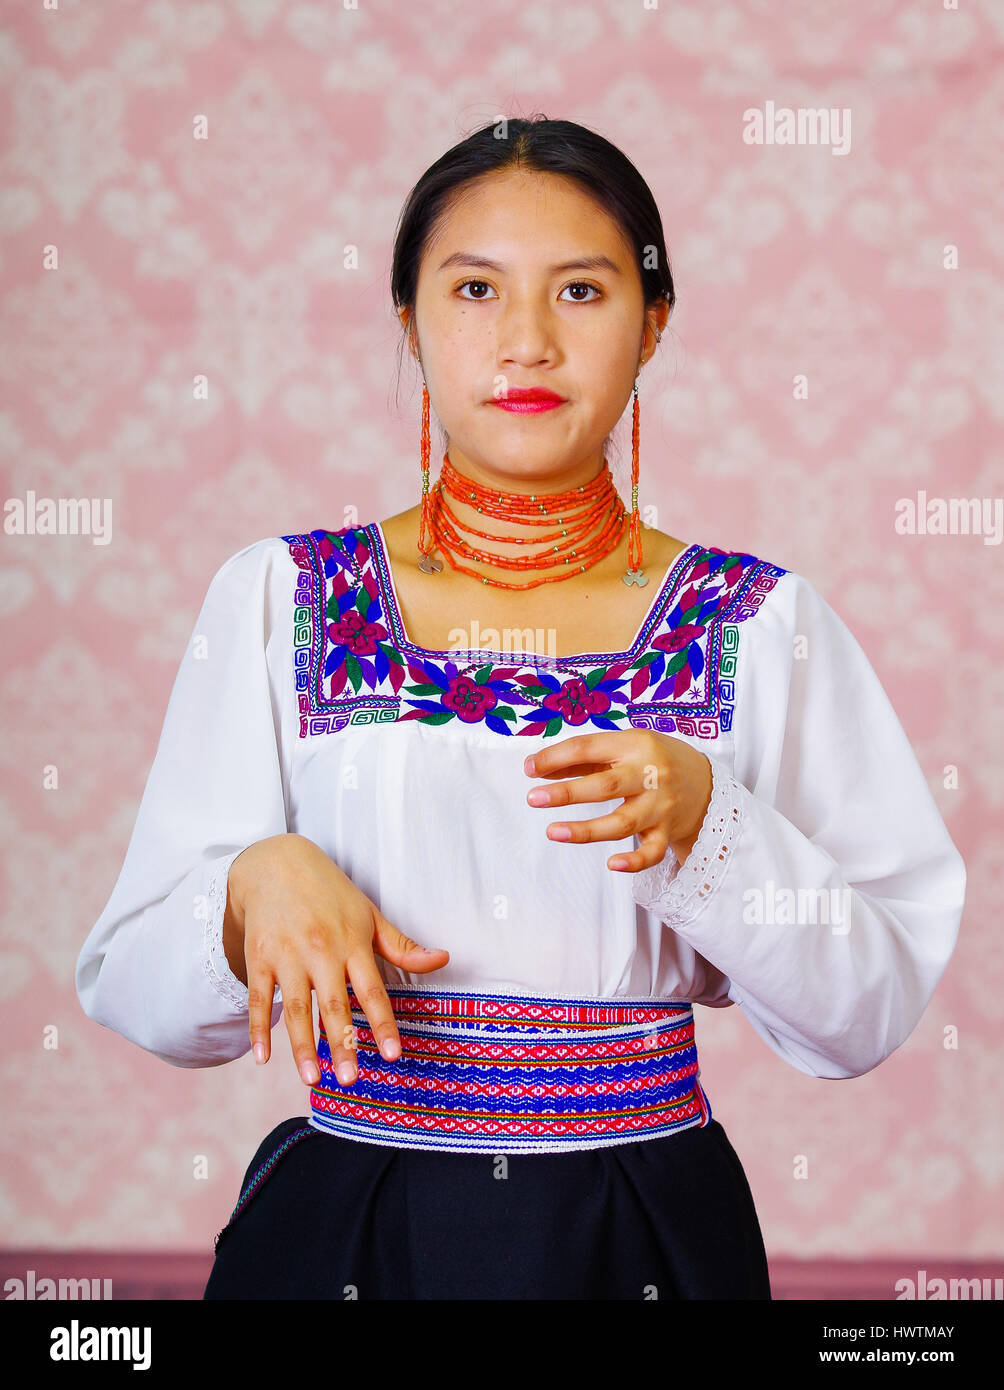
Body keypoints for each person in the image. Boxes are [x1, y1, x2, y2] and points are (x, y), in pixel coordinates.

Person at [75, 115, 966, 1301]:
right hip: (349, 1223)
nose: (527, 341)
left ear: (653, 322)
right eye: (476, 288)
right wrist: (248, 890)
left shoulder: (753, 622)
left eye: (583, 291)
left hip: (642, 1226)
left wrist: (712, 822)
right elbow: (135, 979)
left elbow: (859, 1016)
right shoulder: (280, 597)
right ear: (409, 319)